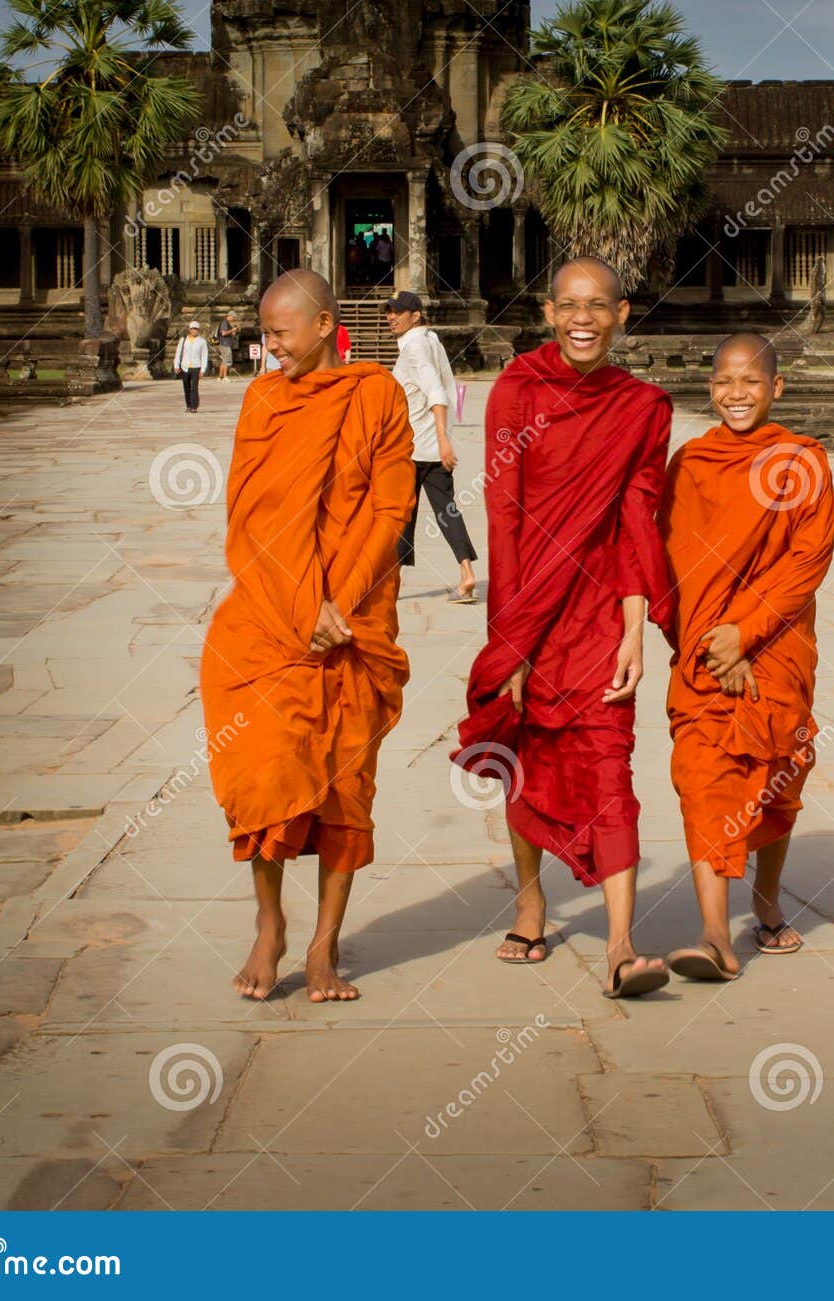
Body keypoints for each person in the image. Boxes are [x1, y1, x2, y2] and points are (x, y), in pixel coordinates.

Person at [452, 256, 672, 999]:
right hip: (528, 607)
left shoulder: (644, 407)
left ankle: (620, 942)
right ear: (548, 311)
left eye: (598, 305)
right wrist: (510, 637)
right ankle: (531, 899)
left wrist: (636, 625)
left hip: (601, 609)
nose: (584, 318)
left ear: (622, 314)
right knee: (527, 752)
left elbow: (640, 518)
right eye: (570, 305)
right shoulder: (517, 390)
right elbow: (503, 514)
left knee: (611, 763)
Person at [200, 268, 416, 1002]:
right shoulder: (261, 399)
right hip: (268, 616)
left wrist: (341, 604)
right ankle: (270, 923)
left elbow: (392, 511)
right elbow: (246, 519)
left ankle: (324, 944)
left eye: (280, 333)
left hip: (351, 623)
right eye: (264, 334)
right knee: (261, 768)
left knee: (343, 787)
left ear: (326, 325)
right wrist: (297, 605)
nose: (270, 347)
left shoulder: (376, 394)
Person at [659, 333, 834, 981]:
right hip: (707, 652)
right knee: (702, 773)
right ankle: (713, 933)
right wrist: (711, 642)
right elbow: (672, 564)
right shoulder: (692, 463)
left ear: (777, 388)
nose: (736, 395)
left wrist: (747, 632)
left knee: (776, 772)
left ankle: (765, 898)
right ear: (710, 389)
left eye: (751, 383)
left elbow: (806, 562)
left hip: (779, 646)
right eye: (724, 383)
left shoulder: (801, 461)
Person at [385, 292, 479, 603]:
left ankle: (391, 583)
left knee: (400, 513)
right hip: (430, 447)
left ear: (416, 315)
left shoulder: (414, 348)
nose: (391, 317)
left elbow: (436, 393)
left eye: (399, 312)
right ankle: (466, 573)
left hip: (415, 447)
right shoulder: (430, 340)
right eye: (389, 312)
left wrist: (443, 442)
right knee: (446, 511)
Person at [173, 321, 207, 412]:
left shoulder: (202, 341)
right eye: (192, 329)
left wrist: (203, 370)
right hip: (185, 366)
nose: (194, 331)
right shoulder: (183, 340)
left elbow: (204, 356)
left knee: (194, 387)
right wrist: (176, 365)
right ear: (189, 329)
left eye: (195, 329)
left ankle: (194, 406)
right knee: (186, 387)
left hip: (196, 367)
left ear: (198, 330)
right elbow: (178, 353)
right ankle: (188, 405)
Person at [215, 313, 239, 381]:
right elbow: (223, 333)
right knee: (227, 361)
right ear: (229, 316)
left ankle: (220, 377)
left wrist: (235, 330)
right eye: (233, 317)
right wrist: (232, 330)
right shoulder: (225, 323)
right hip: (225, 344)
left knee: (223, 361)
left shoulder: (227, 323)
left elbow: (231, 333)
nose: (233, 318)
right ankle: (225, 377)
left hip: (224, 344)